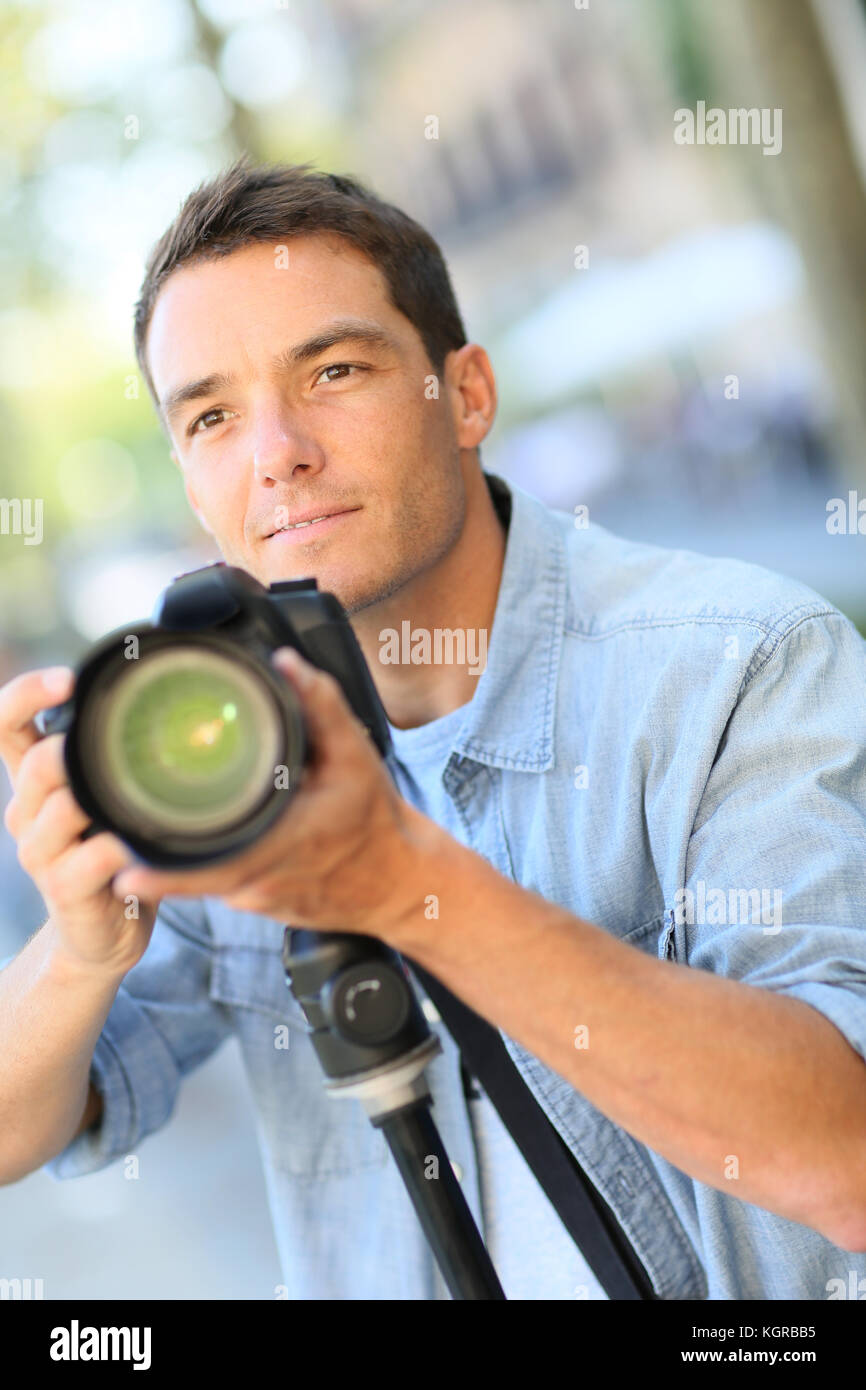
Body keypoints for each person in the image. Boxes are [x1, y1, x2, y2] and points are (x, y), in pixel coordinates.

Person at [2, 158, 866, 1301]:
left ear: (465, 396)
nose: (276, 451)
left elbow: (841, 1156)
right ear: (187, 473)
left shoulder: (736, 663)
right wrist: (80, 947)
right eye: (212, 414)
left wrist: (401, 881)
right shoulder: (206, 744)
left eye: (336, 370)